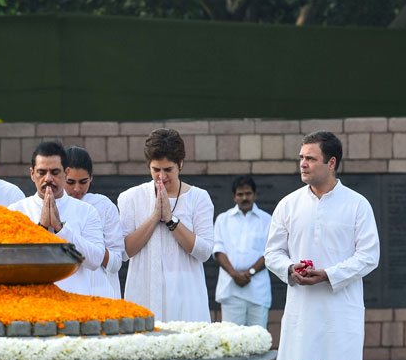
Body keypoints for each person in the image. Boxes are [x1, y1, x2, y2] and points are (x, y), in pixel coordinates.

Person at [265, 131, 380, 360]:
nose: (303, 164)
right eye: (301, 157)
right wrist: (289, 268)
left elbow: (369, 256)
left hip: (341, 312)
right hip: (301, 311)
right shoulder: (288, 204)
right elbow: (272, 253)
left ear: (331, 163)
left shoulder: (357, 205)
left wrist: (329, 275)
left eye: (311, 158)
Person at [118, 128, 214, 323]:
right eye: (156, 170)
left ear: (180, 164)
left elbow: (204, 252)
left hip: (186, 296)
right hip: (144, 294)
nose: (161, 176)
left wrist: (171, 220)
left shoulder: (199, 198)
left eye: (168, 170)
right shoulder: (130, 198)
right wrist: (154, 218)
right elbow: (124, 252)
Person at [9, 141, 110, 297]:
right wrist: (41, 229)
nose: (48, 179)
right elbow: (11, 263)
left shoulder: (86, 211)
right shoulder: (16, 211)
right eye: (41, 172)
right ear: (32, 174)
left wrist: (61, 230)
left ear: (66, 173)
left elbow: (96, 260)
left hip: (75, 308)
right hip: (29, 306)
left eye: (55, 172)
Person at [64, 146, 124, 299]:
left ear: (91, 178)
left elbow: (116, 261)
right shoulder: (52, 206)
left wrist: (92, 250)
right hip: (66, 293)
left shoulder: (103, 206)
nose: (77, 188)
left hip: (102, 292)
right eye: (70, 182)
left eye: (83, 182)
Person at [213, 175, 271, 327]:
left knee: (258, 342)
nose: (244, 197)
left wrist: (250, 272)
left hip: (258, 290)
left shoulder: (267, 220)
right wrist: (234, 274)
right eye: (240, 194)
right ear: (234, 197)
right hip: (231, 289)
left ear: (255, 194)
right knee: (232, 342)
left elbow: (270, 252)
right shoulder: (223, 219)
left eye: (248, 193)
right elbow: (218, 250)